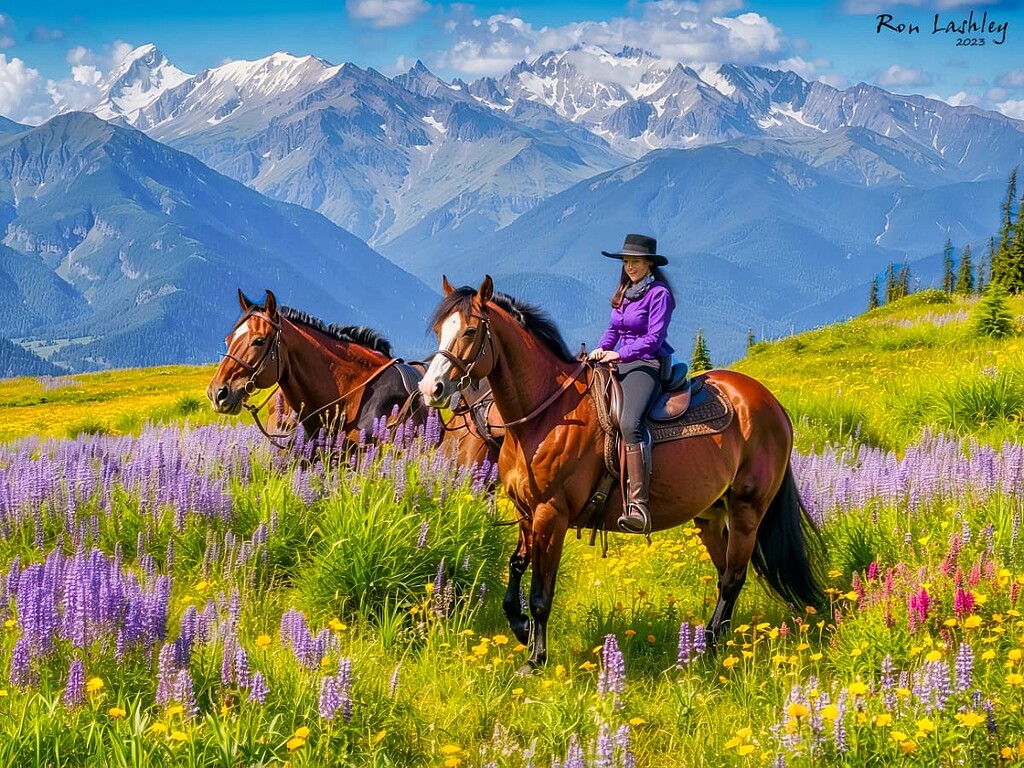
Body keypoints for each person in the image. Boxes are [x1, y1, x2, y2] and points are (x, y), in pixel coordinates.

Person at [588, 233, 675, 534]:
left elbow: (654, 339)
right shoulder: (625, 293)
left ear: (649, 264)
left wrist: (620, 354)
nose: (630, 267)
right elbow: (613, 329)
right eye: (626, 262)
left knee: (629, 423)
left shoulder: (660, 295)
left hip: (646, 363)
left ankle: (639, 506)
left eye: (635, 262)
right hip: (617, 359)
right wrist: (601, 350)